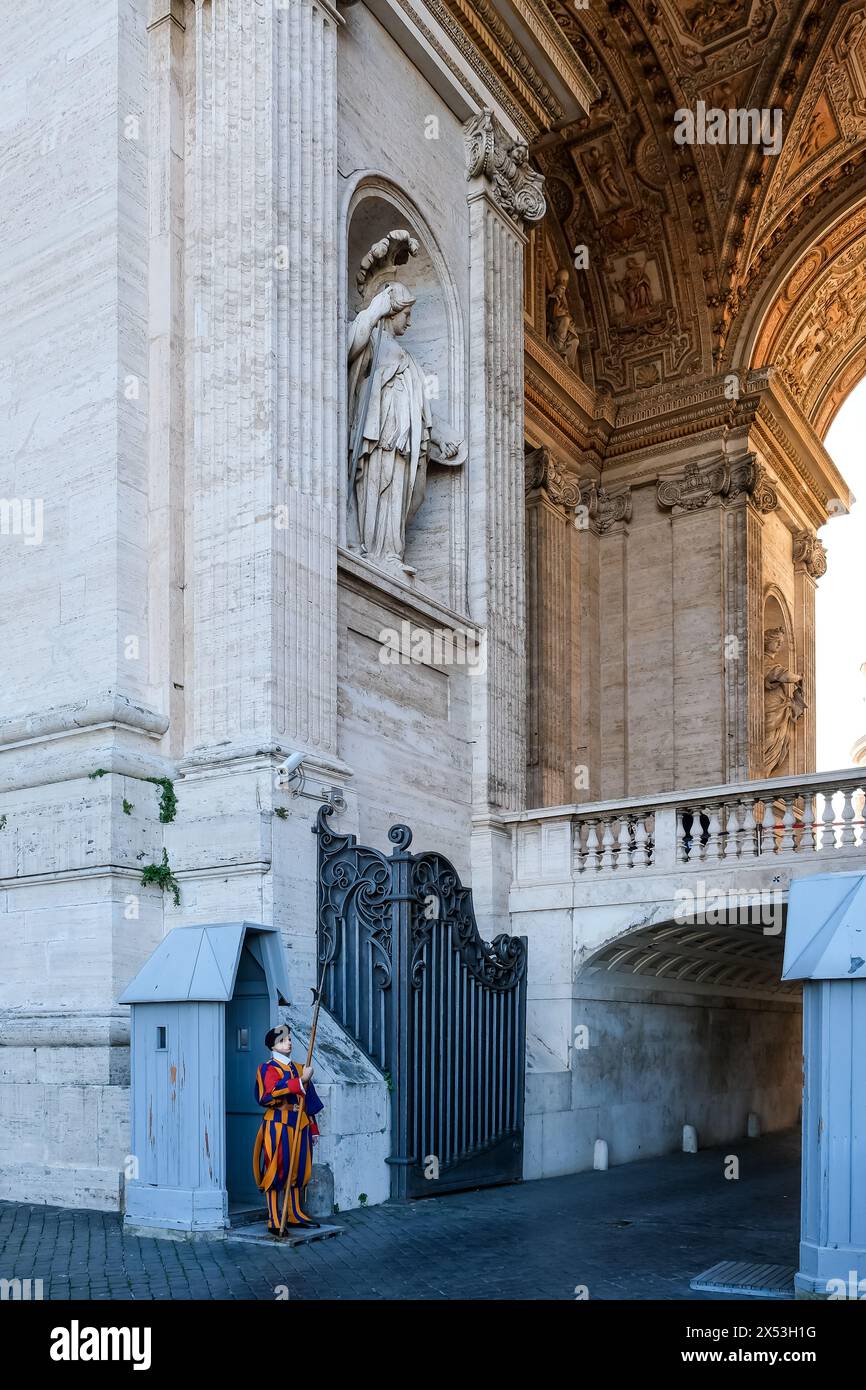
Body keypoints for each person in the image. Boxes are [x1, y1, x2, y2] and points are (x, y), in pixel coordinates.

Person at [252, 1024, 324, 1234]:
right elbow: (269, 1094)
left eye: (289, 1039)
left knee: (299, 1170)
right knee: (277, 1171)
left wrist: (313, 1128)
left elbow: (307, 1102)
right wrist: (300, 1081)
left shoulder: (300, 1068)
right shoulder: (267, 1068)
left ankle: (294, 1214)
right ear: (273, 1046)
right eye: (283, 1040)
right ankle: (274, 1219)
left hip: (299, 1123)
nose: (289, 1042)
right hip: (278, 1124)